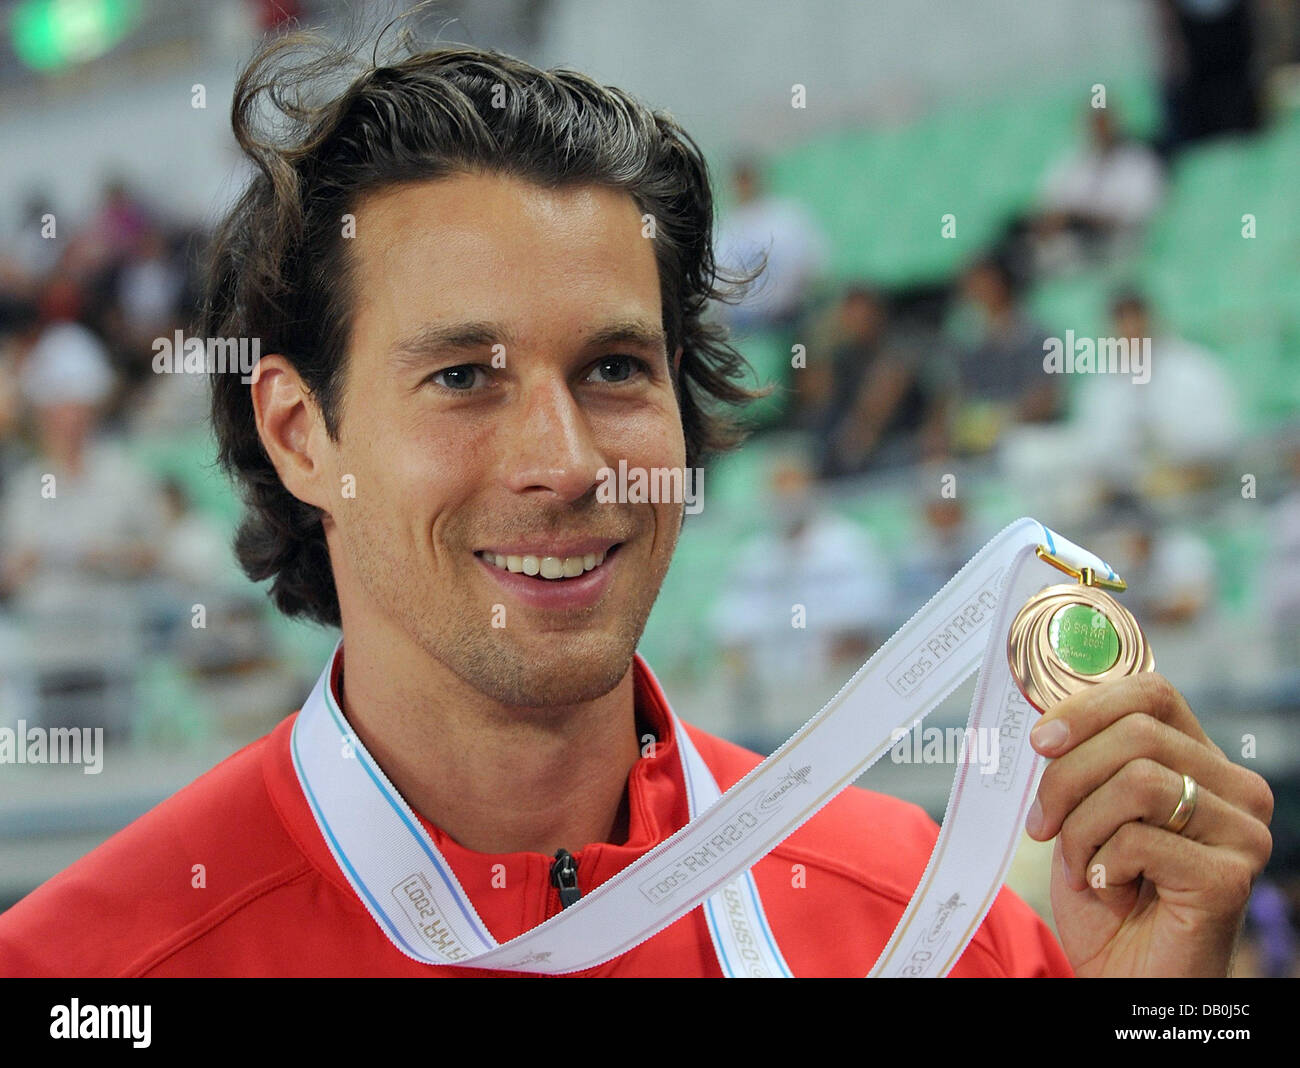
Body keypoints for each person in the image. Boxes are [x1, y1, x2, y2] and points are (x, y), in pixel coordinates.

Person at [0, 34, 1272, 978]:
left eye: (613, 368)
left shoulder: (929, 926)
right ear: (299, 432)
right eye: (461, 377)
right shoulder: (85, 971)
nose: (564, 464)